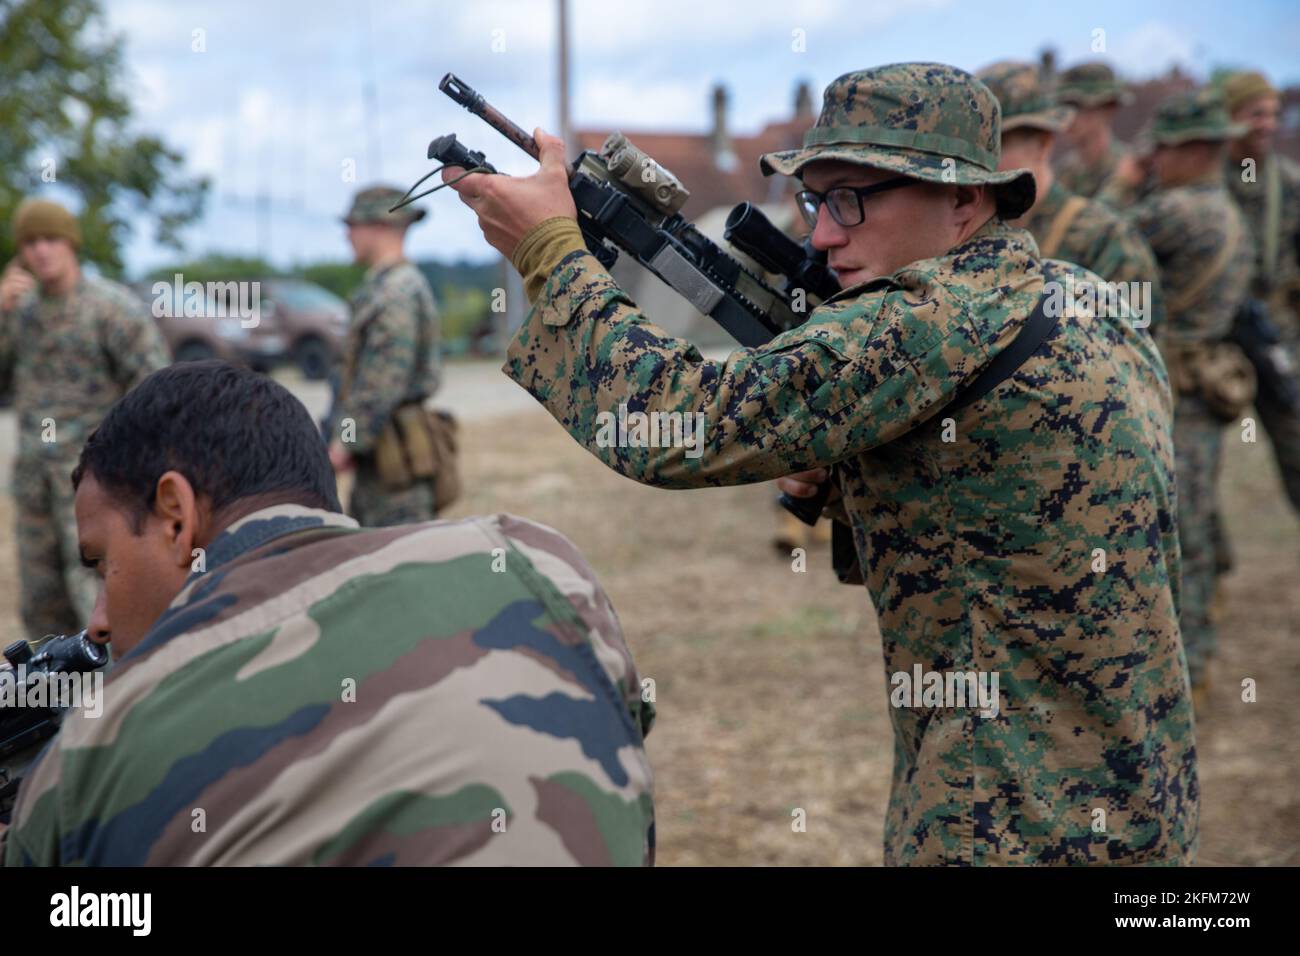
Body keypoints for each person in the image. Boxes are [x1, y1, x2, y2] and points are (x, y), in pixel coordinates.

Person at [447, 63, 1196, 865]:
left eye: (852, 200)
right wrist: (857, 482)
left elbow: (666, 420)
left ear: (963, 201)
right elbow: (1018, 498)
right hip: (1140, 798)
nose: (822, 235)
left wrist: (552, 252)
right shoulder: (1080, 297)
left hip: (1010, 822)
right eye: (815, 199)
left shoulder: (924, 320)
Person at [0, 361, 655, 866]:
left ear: (176, 516)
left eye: (100, 562)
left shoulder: (96, 747)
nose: (98, 622)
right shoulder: (538, 564)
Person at [1108, 90, 1256, 709]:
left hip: (1178, 395)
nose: (1152, 158)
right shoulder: (1226, 210)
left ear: (1194, 149)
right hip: (1201, 390)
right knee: (1194, 519)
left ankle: (1191, 668)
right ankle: (1198, 652)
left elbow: (1094, 240)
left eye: (1162, 148)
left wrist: (1120, 185)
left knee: (1180, 529)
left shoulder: (1177, 212)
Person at [0, 198, 170, 641]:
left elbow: (156, 389)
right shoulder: (20, 313)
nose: (41, 251)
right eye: (31, 242)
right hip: (34, 479)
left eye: (51, 239)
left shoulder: (110, 309)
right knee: (41, 603)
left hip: (92, 483)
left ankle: (114, 699)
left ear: (71, 243)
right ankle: (55, 704)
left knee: (96, 597)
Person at [978, 60, 1165, 334]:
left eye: (995, 146)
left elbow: (1141, 357)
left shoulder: (1108, 241)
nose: (981, 165)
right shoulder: (966, 235)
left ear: (1043, 143)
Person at [328, 185, 442, 526]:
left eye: (353, 226)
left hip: (394, 458)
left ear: (379, 225)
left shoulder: (395, 290)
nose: (347, 235)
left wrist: (345, 443)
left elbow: (384, 379)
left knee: (398, 565)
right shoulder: (385, 285)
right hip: (382, 452)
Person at [1223, 70, 1300, 514]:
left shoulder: (1287, 184)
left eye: (1273, 114)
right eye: (1256, 114)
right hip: (1215, 346)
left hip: (1275, 339)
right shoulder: (1204, 178)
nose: (1268, 124)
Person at [1054, 62, 1133, 200]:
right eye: (1064, 107)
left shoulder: (1131, 170)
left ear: (1109, 107)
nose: (1069, 117)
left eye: (1079, 106)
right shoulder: (1061, 173)